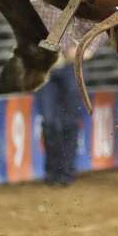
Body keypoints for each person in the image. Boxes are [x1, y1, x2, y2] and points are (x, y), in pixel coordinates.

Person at [37, 41, 81, 186]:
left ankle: (66, 172)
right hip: (45, 69)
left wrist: (88, 49)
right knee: (49, 122)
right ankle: (53, 171)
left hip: (69, 66)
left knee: (69, 122)